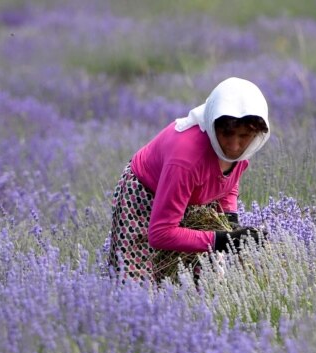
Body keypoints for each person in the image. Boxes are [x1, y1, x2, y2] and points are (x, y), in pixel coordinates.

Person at [107, 77, 269, 283]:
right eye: (227, 133)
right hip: (145, 197)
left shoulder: (241, 152)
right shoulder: (186, 159)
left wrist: (230, 221)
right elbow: (160, 233)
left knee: (204, 283)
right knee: (135, 286)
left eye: (244, 136)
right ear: (213, 125)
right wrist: (222, 239)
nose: (235, 146)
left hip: (191, 195)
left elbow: (227, 182)